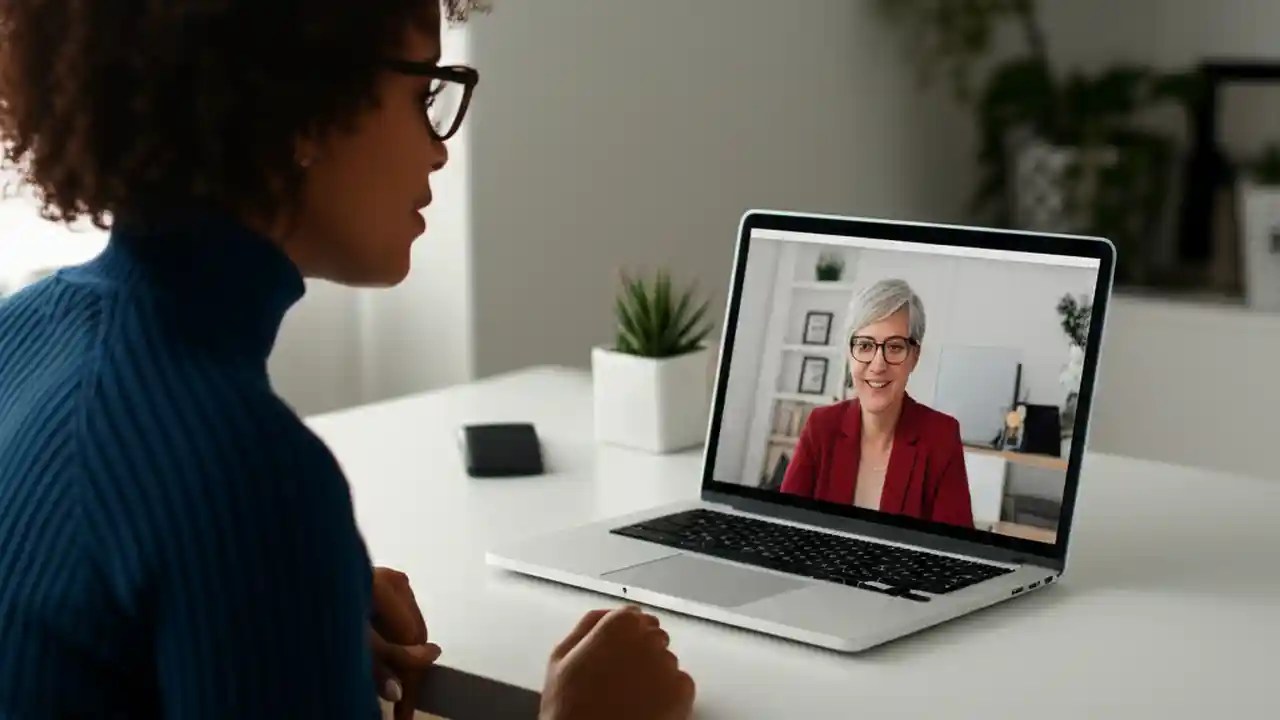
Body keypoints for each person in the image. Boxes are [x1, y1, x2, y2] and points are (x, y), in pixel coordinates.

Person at [0, 2, 694, 719]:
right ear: (301, 105)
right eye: (423, 94)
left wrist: (279, 621)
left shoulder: (21, 331)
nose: (439, 149)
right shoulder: (248, 471)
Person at [780, 279, 974, 528]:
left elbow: (956, 551)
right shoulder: (821, 426)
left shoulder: (941, 436)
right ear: (851, 354)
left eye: (894, 347)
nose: (878, 364)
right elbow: (784, 525)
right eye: (865, 346)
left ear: (914, 357)